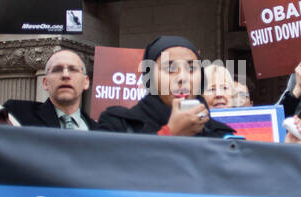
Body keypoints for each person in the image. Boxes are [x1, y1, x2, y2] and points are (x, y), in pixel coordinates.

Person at [96, 36, 235, 137]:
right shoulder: (118, 125)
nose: (182, 77)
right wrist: (170, 133)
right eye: (170, 68)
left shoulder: (222, 135)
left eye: (191, 68)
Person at [3, 48, 97, 129]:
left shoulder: (100, 131)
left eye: (73, 69)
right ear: (45, 83)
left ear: (86, 82)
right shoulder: (17, 113)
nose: (65, 75)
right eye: (57, 70)